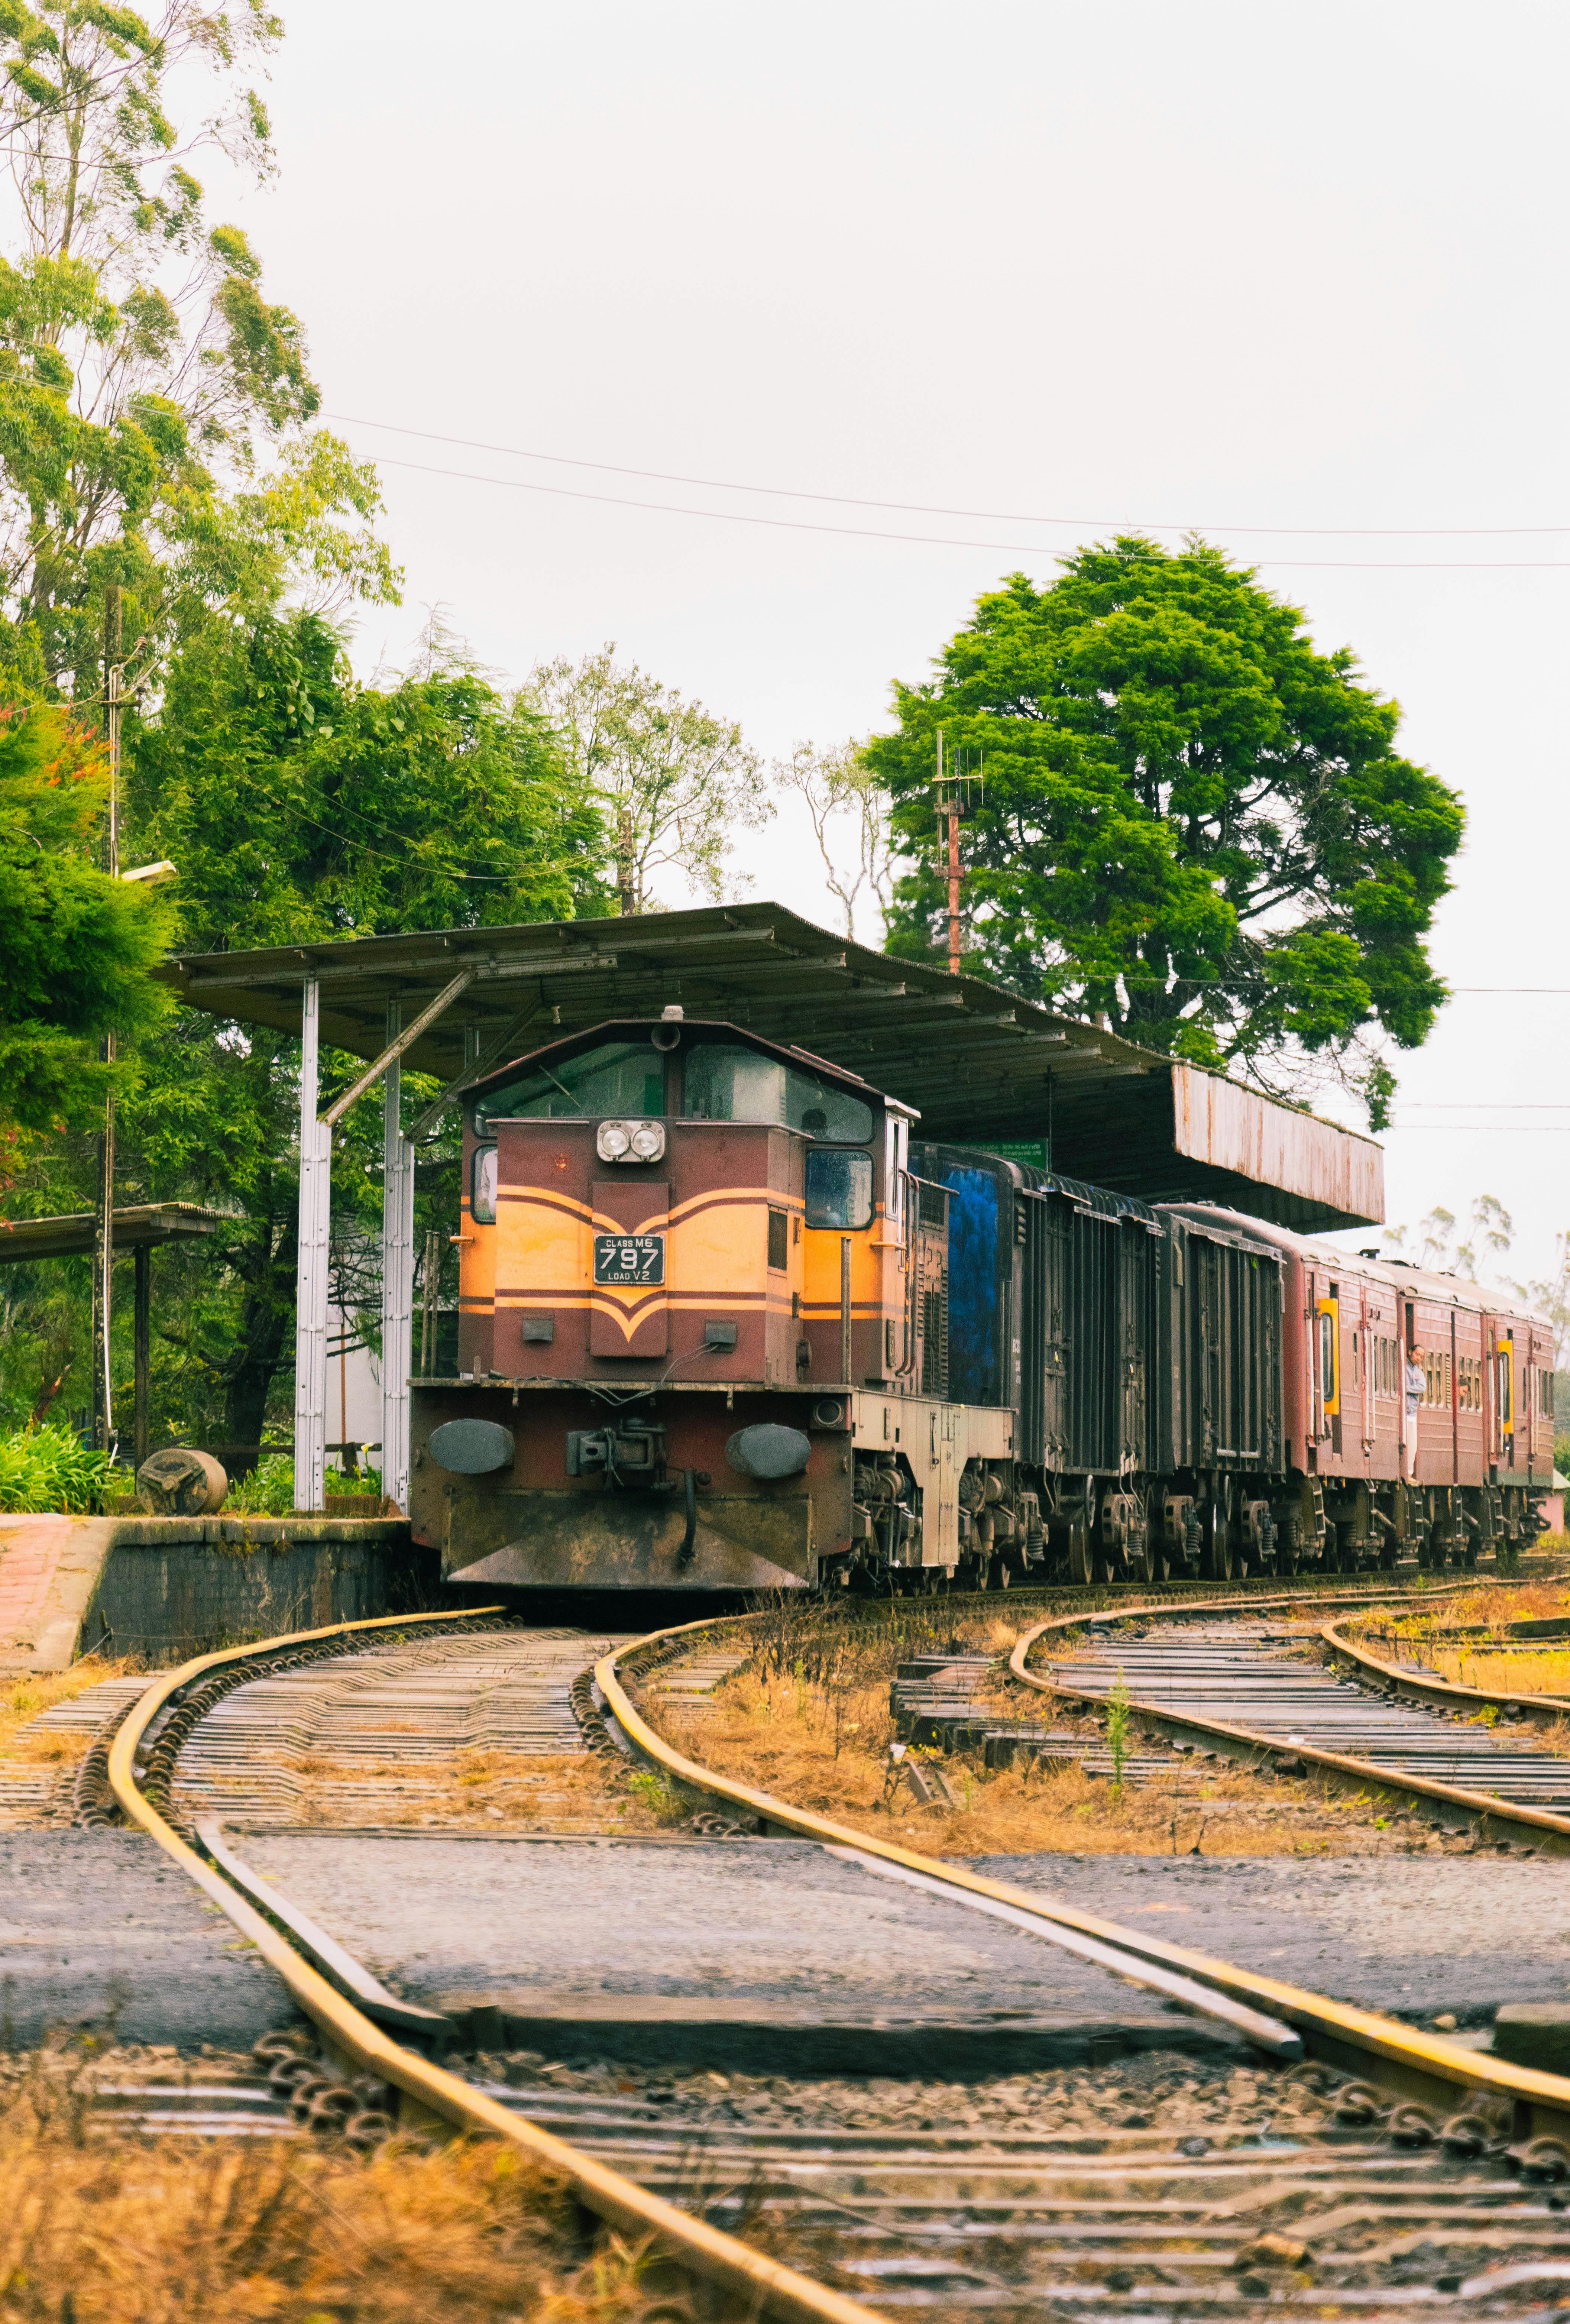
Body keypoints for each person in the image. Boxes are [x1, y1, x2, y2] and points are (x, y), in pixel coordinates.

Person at [1404, 1344, 1425, 1479]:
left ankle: (1409, 1473)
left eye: (1421, 1357)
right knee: (1405, 1443)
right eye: (1417, 1355)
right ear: (1410, 1352)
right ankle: (1404, 1471)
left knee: (1413, 1445)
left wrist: (1408, 1388)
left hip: (1413, 1413)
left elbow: (1422, 1388)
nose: (1419, 1358)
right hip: (1404, 1412)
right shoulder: (1403, 1368)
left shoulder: (1419, 1372)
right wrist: (1411, 1388)